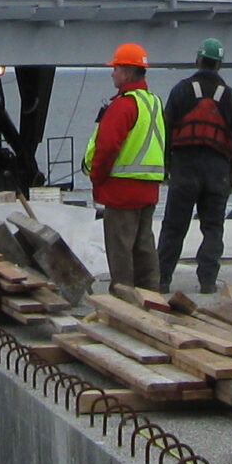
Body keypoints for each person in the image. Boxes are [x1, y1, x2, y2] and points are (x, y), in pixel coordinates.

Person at [157, 38, 232, 294]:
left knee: (174, 226)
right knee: (213, 228)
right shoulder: (229, 97)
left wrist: (165, 167)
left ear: (198, 60)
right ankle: (207, 281)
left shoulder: (181, 91)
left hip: (184, 167)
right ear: (219, 64)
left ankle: (163, 279)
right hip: (217, 170)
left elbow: (166, 130)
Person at [85, 42, 167, 291]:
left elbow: (107, 147)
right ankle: (150, 294)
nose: (112, 72)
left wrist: (97, 179)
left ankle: (124, 298)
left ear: (128, 72)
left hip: (122, 190)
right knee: (144, 245)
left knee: (120, 248)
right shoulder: (153, 102)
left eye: (116, 68)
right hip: (148, 188)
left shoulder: (123, 105)